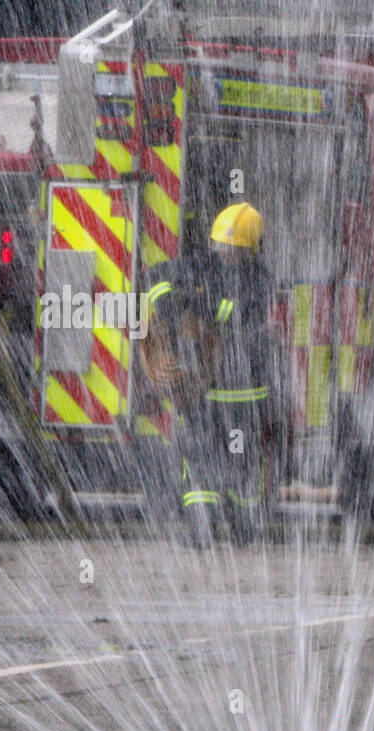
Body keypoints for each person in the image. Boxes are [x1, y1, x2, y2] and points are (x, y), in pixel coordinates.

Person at [142, 202, 273, 547]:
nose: (224, 254)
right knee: (200, 456)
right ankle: (202, 528)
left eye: (232, 249)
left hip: (243, 394)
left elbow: (236, 312)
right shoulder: (204, 264)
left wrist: (198, 304)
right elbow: (156, 276)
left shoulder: (259, 279)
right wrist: (167, 302)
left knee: (239, 461)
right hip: (206, 392)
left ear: (250, 250)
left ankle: (243, 526)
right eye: (221, 247)